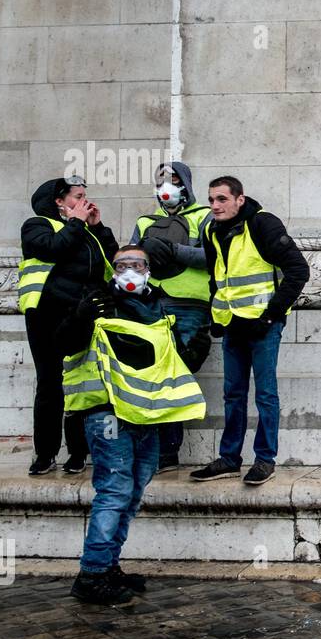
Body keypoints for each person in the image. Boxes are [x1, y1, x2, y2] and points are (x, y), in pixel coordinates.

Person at [57, 245, 206, 604]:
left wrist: (196, 346)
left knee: (133, 494)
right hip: (108, 414)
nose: (128, 271)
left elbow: (172, 362)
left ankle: (108, 566)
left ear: (148, 270)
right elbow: (64, 342)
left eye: (136, 265)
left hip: (145, 417)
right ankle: (91, 575)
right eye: (121, 265)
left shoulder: (161, 307)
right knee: (114, 492)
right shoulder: (96, 301)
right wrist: (80, 316)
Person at [190, 176, 308, 486]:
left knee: (266, 394)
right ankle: (229, 458)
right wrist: (215, 315)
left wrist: (271, 316)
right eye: (211, 199)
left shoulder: (262, 224)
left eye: (222, 199)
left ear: (239, 199)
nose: (215, 205)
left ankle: (265, 459)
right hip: (232, 325)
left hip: (262, 326)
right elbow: (218, 278)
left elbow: (299, 271)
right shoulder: (211, 230)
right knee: (233, 394)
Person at [18, 175, 116, 476]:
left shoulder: (87, 231)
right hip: (48, 314)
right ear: (59, 202)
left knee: (82, 381)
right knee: (50, 383)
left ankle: (78, 452)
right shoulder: (37, 225)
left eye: (85, 195)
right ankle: (45, 453)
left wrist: (97, 227)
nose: (84, 201)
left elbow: (113, 258)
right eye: (77, 196)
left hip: (82, 313)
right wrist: (76, 222)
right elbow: (51, 249)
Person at [129, 162, 212, 473]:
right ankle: (154, 451)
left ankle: (168, 451)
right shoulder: (145, 220)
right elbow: (130, 261)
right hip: (150, 304)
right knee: (150, 376)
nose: (167, 187)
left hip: (190, 306)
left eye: (174, 180)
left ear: (186, 184)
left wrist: (173, 251)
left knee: (177, 376)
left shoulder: (203, 216)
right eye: (162, 180)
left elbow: (213, 256)